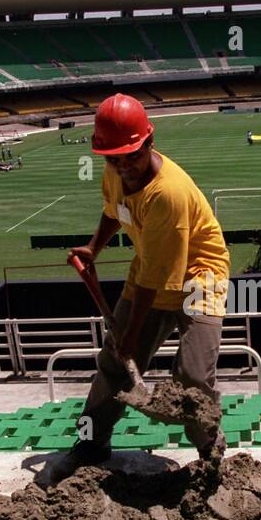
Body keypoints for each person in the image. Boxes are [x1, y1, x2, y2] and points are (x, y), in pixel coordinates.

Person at [62, 93, 231, 469]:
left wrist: (130, 334)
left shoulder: (168, 194)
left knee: (192, 377)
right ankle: (91, 444)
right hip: (150, 266)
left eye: (132, 157)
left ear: (150, 142)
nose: (124, 168)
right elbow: (114, 210)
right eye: (114, 160)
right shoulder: (117, 171)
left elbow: (156, 281)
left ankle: (210, 450)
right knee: (113, 366)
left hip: (201, 274)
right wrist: (93, 248)